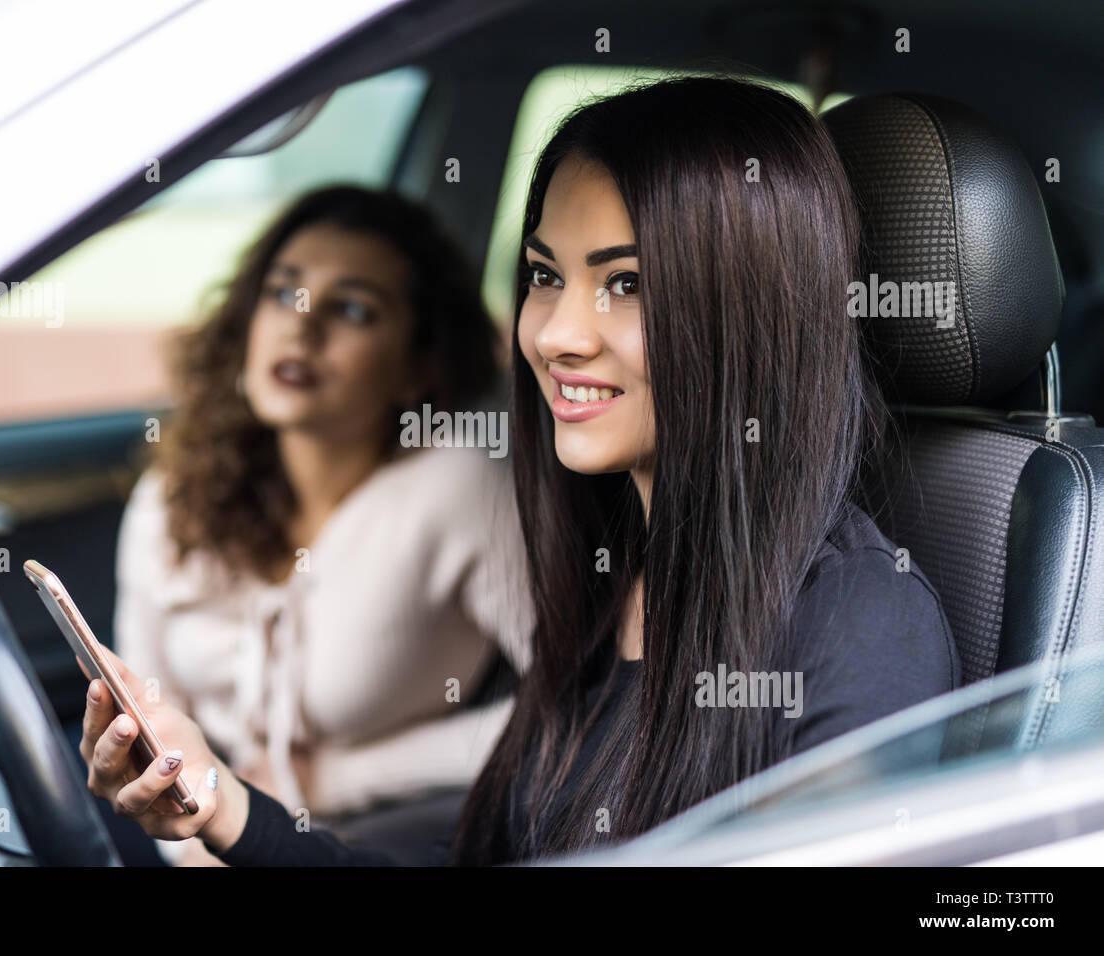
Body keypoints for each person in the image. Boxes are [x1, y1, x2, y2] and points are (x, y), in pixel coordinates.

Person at [83, 76, 960, 865]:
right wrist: (228, 808)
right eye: (546, 275)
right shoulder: (609, 579)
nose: (554, 335)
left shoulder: (863, 628)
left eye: (627, 284)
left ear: (750, 311)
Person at [112, 186, 532, 864]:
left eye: (354, 309)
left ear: (416, 368)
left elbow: (576, 712)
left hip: (383, 842)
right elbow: (155, 711)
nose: (302, 327)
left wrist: (336, 778)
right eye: (284, 293)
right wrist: (192, 843)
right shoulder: (171, 495)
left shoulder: (461, 491)